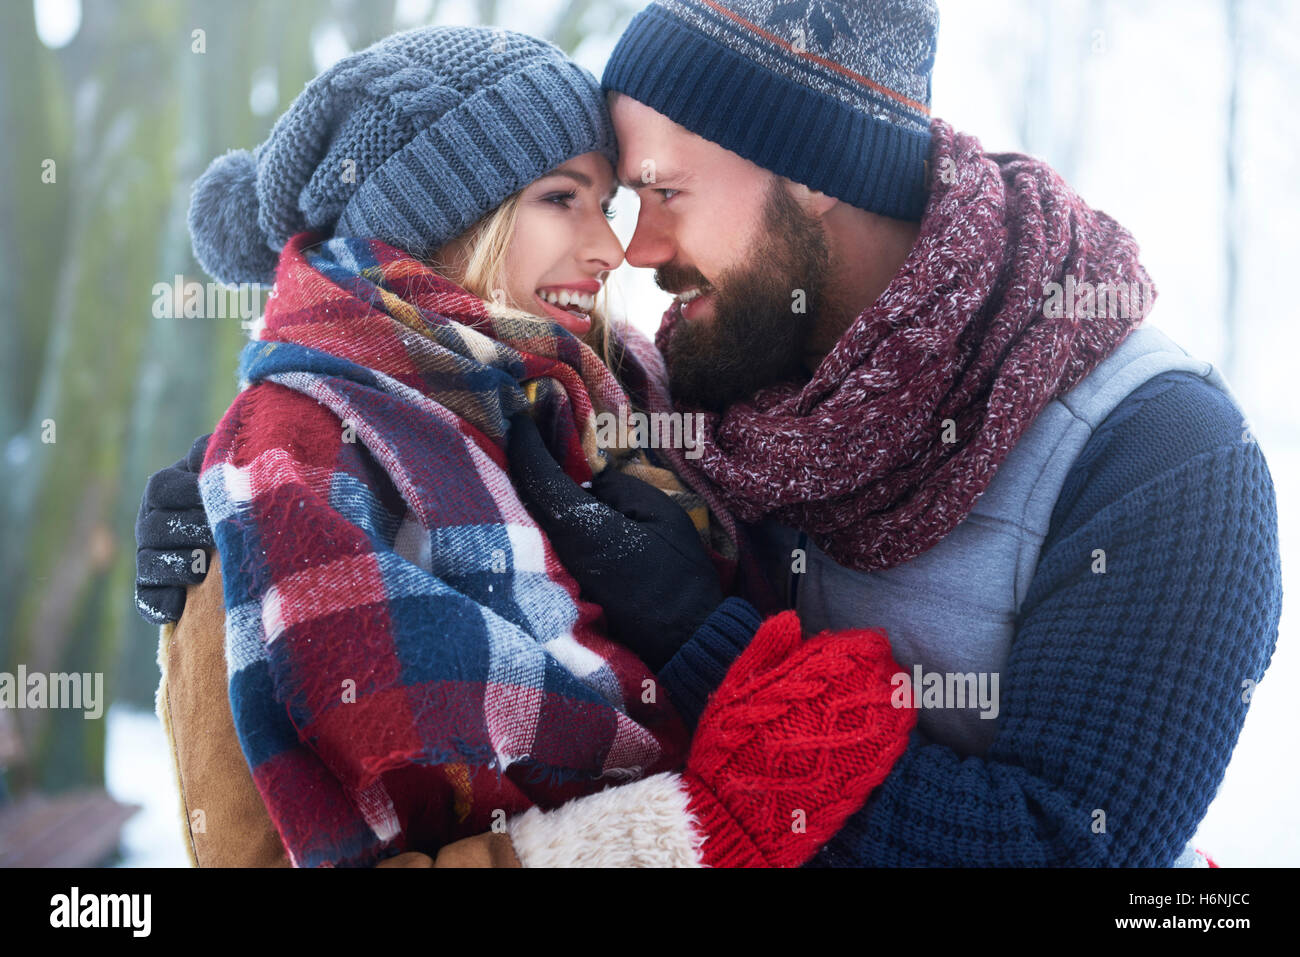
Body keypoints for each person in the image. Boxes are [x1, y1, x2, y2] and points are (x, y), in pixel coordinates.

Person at [143, 0, 1283, 868]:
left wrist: (704, 635)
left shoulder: (1162, 459)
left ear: (818, 170)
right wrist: (262, 495)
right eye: (602, 200)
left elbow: (1066, 851)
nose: (631, 253)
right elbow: (445, 399)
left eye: (662, 192)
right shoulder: (690, 380)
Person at [136, 24, 915, 869]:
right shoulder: (292, 458)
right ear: (440, 216)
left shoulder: (624, 390)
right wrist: (688, 829)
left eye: (605, 203)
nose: (613, 250)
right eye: (561, 197)